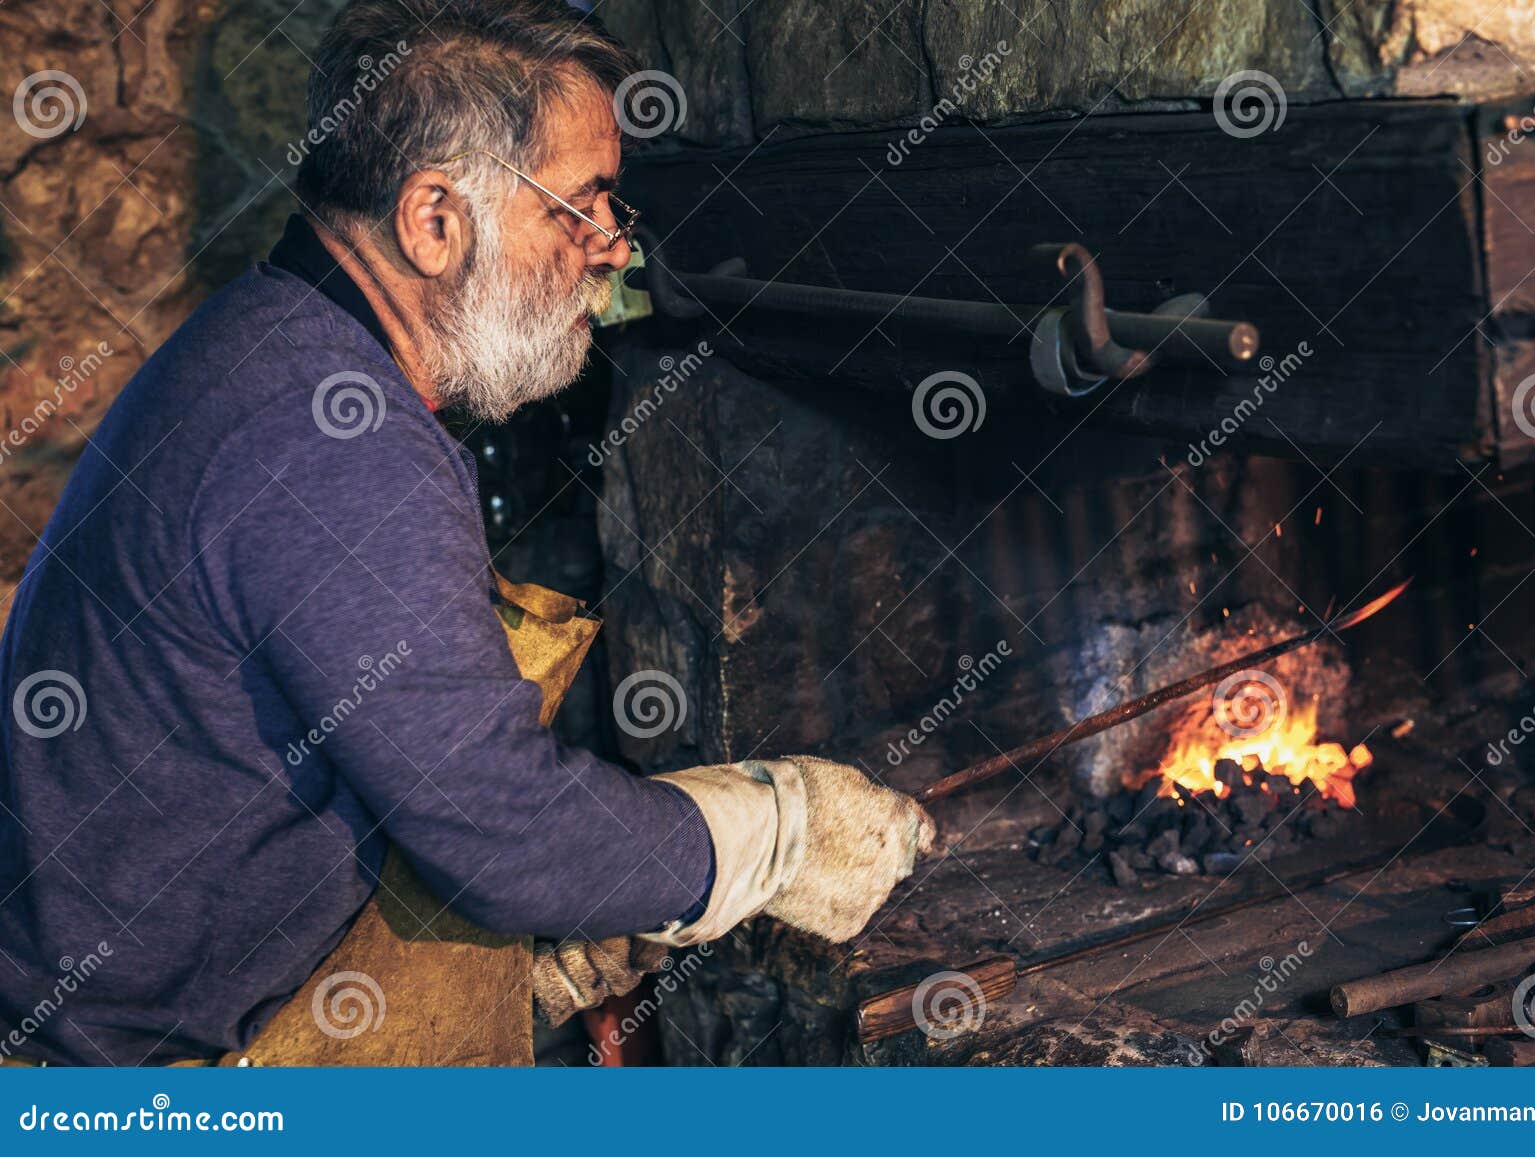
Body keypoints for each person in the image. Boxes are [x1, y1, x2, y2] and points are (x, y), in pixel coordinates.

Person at [0, 0, 932, 1066]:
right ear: (434, 220)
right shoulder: (332, 445)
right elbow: (495, 823)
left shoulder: (277, 342)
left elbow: (402, 758)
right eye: (577, 207)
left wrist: (532, 947)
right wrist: (779, 828)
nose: (612, 246)